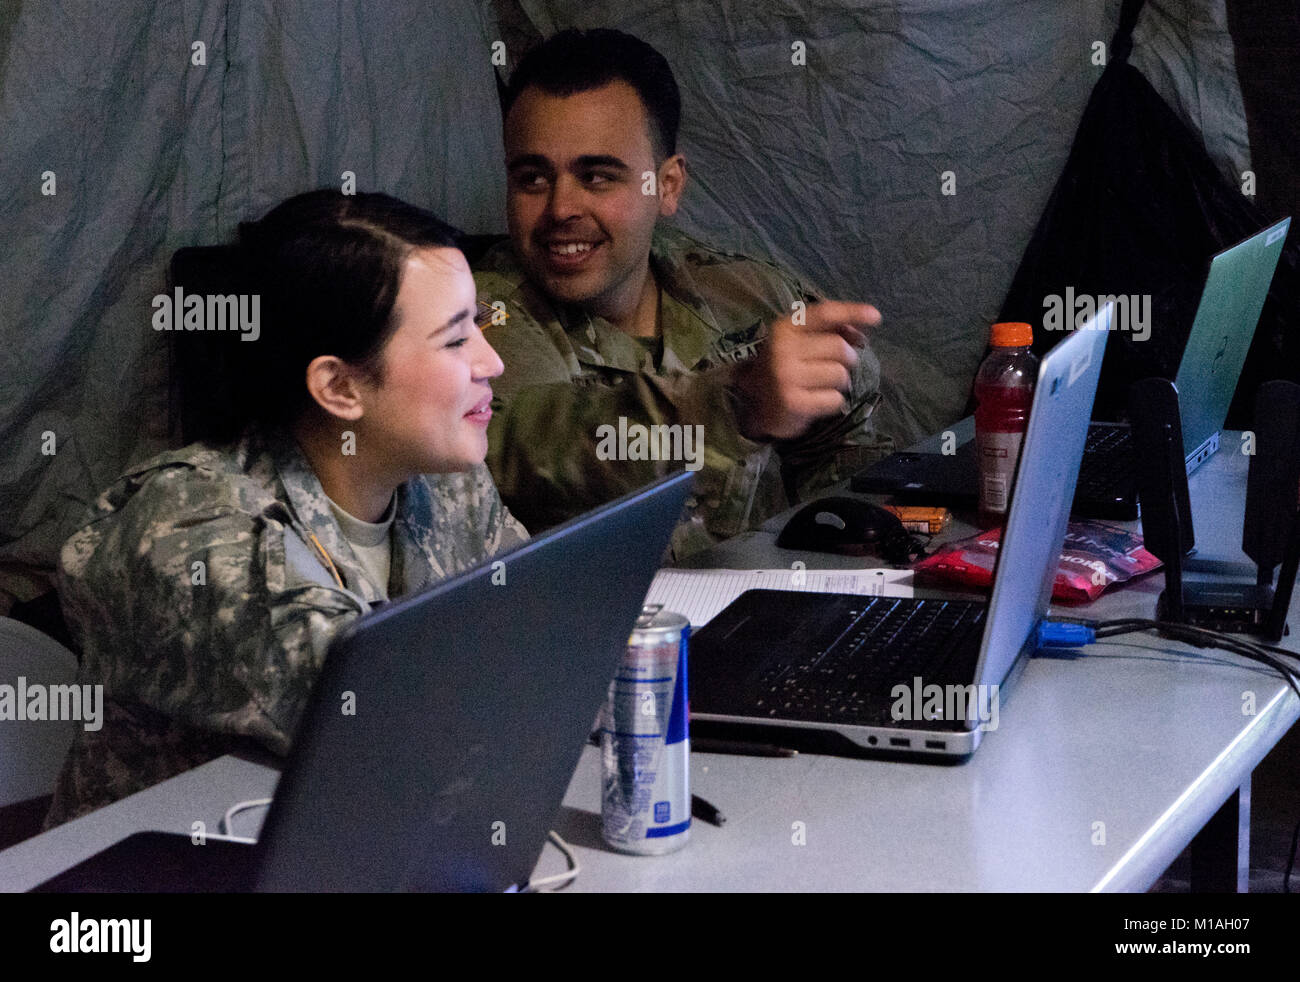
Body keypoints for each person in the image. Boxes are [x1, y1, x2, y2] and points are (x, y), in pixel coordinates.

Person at [47, 190, 526, 824]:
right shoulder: (188, 530)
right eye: (455, 339)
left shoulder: (445, 484)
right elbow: (385, 716)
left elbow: (539, 632)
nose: (490, 361)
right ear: (339, 386)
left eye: (482, 325)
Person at [475, 29, 894, 558]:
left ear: (666, 187)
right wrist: (737, 403)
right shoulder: (478, 319)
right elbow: (542, 452)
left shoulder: (746, 293)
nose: (561, 209)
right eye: (533, 178)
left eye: (598, 176)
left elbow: (848, 443)